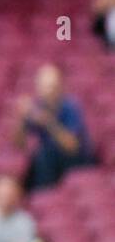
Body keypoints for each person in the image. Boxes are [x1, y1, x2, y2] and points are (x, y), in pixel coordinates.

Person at [14, 63, 95, 191]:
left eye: (52, 86)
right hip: (49, 161)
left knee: (44, 156)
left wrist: (48, 122)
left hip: (75, 160)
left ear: (61, 87)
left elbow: (72, 146)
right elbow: (18, 145)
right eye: (44, 86)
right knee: (30, 162)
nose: (48, 90)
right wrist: (20, 119)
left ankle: (43, 194)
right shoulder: (38, 105)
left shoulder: (71, 106)